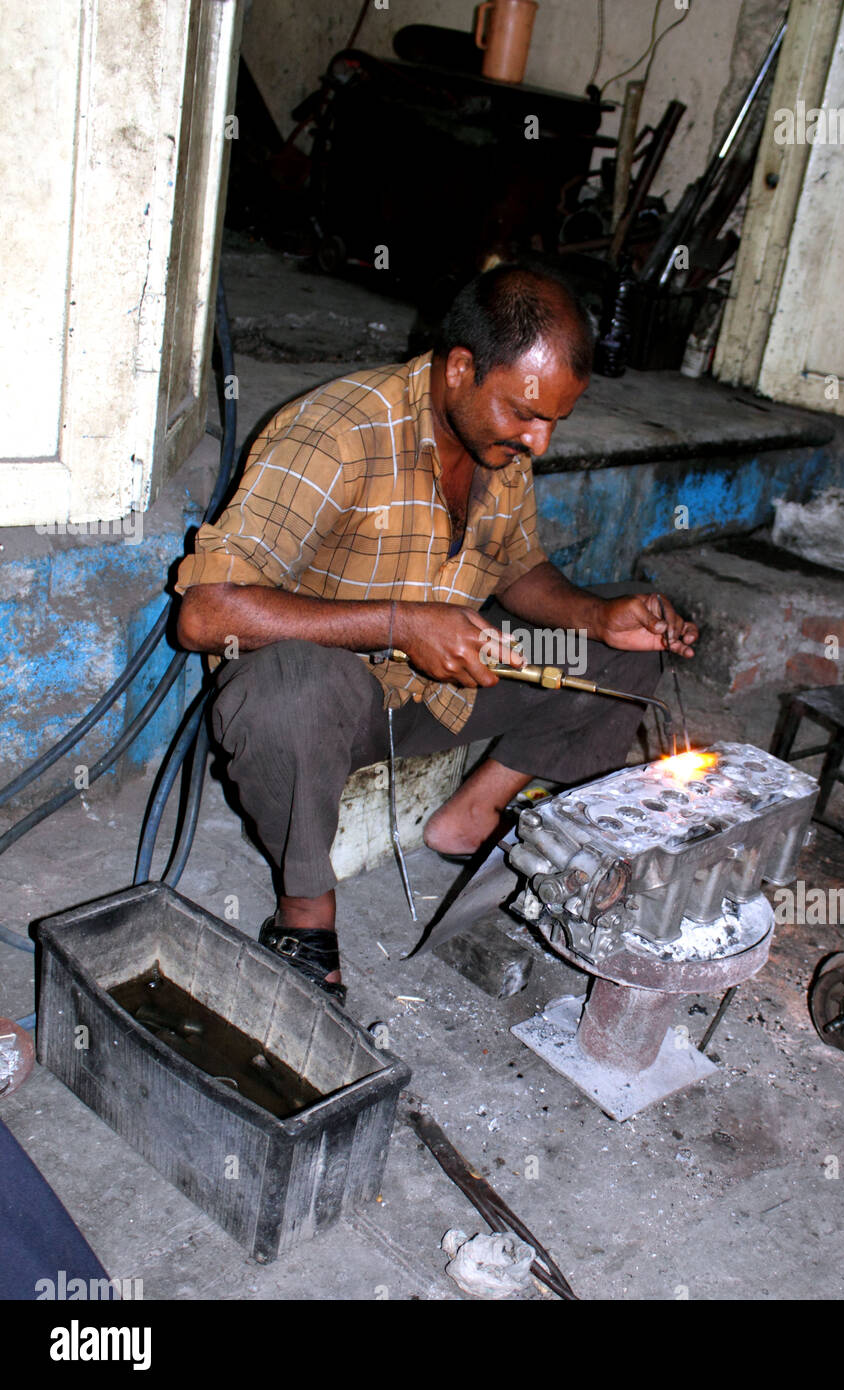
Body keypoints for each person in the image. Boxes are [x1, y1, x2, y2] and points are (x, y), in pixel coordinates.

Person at [175, 265, 698, 1002]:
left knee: (619, 645)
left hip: (452, 687)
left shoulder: (500, 446)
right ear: (460, 369)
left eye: (555, 420)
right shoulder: (338, 434)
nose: (540, 441)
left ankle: (472, 815)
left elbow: (519, 569)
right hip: (336, 705)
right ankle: (305, 915)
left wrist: (596, 617)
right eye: (525, 413)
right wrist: (398, 624)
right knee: (285, 691)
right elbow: (204, 614)